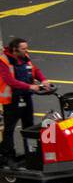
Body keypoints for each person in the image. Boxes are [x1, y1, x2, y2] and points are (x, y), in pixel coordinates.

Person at [0, 37, 54, 168]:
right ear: (15, 50)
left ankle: (30, 154)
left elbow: (34, 70)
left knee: (29, 126)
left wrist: (44, 80)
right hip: (11, 100)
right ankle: (7, 156)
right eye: (23, 49)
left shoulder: (24, 57)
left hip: (25, 96)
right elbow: (10, 81)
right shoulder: (3, 61)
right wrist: (30, 86)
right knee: (9, 128)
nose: (26, 50)